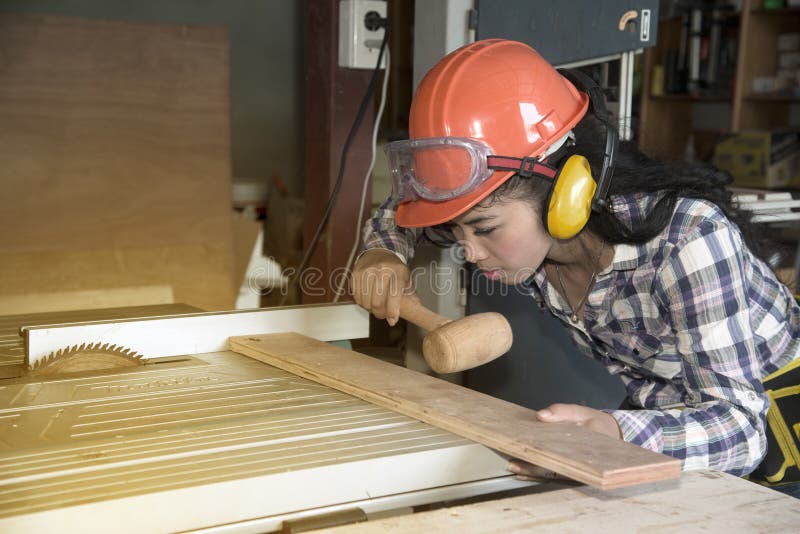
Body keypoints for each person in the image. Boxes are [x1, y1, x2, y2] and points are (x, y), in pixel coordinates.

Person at [351, 38, 800, 479]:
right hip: (665, 410)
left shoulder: (686, 240)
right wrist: (381, 253)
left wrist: (614, 433)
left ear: (564, 195)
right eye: (455, 229)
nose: (468, 250)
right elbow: (402, 208)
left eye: (484, 229)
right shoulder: (524, 237)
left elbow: (742, 432)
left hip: (772, 422)